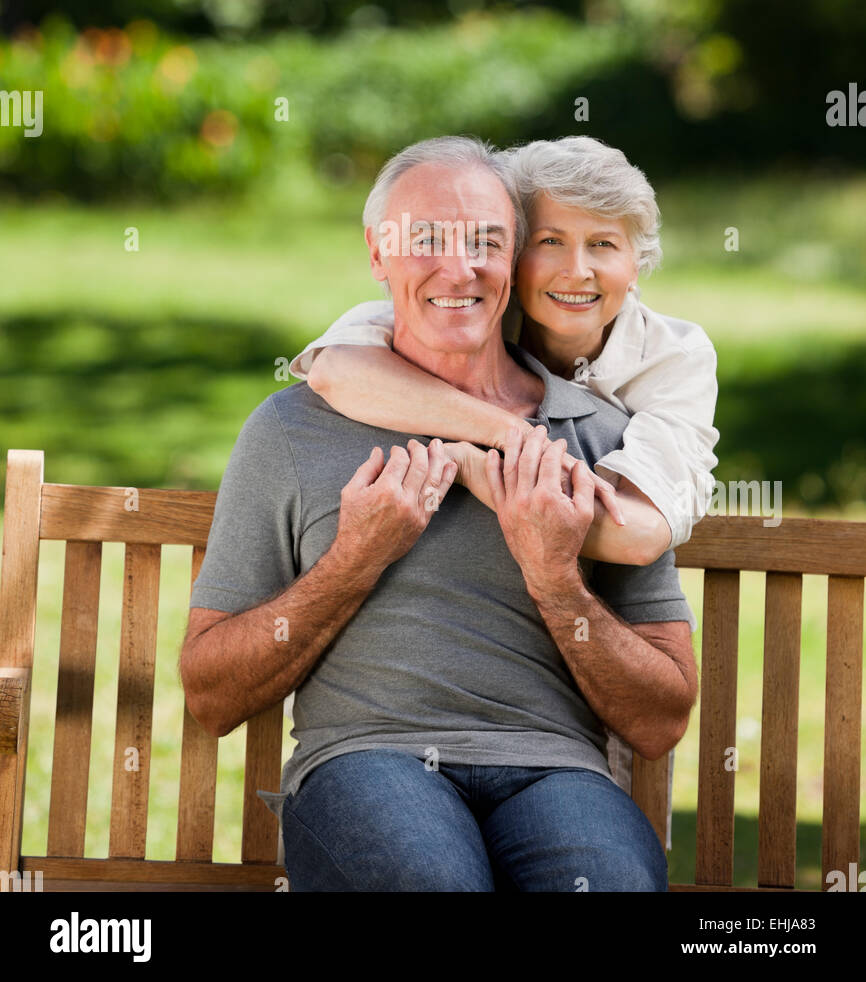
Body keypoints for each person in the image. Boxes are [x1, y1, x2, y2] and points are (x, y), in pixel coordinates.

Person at [180, 135, 698, 892]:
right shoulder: (293, 431)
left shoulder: (603, 445)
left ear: (514, 259)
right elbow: (209, 695)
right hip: (367, 761)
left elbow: (661, 718)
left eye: (487, 242)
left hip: (555, 773)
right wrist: (355, 558)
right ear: (377, 253)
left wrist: (555, 577)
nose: (460, 269)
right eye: (427, 240)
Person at [292, 136, 719, 562]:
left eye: (603, 244)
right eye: (550, 241)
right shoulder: (469, 305)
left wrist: (479, 470)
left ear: (637, 264)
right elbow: (335, 371)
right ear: (512, 251)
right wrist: (512, 434)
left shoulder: (674, 359)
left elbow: (637, 535)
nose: (576, 271)